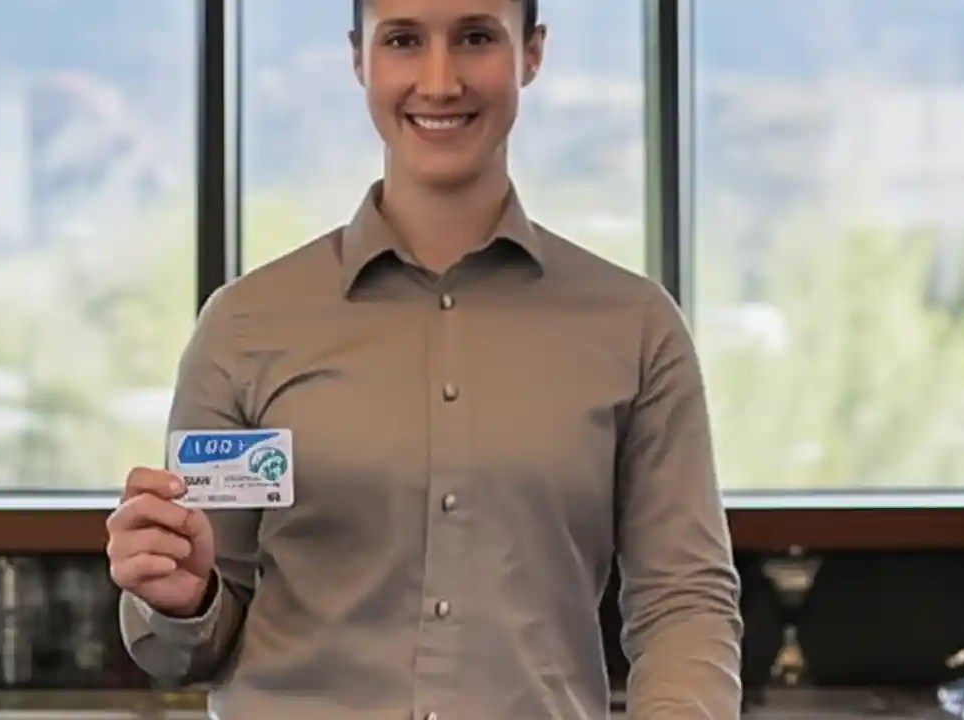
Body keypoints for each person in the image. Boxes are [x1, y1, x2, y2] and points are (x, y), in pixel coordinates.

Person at [105, 0, 743, 717]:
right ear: (359, 59)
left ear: (532, 53)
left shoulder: (635, 326)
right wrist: (181, 597)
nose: (439, 83)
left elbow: (683, 600)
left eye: (476, 38)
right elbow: (184, 648)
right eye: (404, 40)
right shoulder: (244, 327)